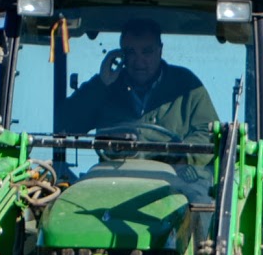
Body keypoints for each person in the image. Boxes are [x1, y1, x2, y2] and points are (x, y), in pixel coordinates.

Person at [59, 17, 219, 153]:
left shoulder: (186, 86)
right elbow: (63, 126)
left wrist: (178, 157)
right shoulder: (105, 88)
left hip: (174, 179)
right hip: (111, 177)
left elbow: (209, 134)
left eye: (147, 52)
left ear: (160, 50)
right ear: (121, 54)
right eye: (130, 52)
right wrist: (101, 84)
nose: (139, 61)